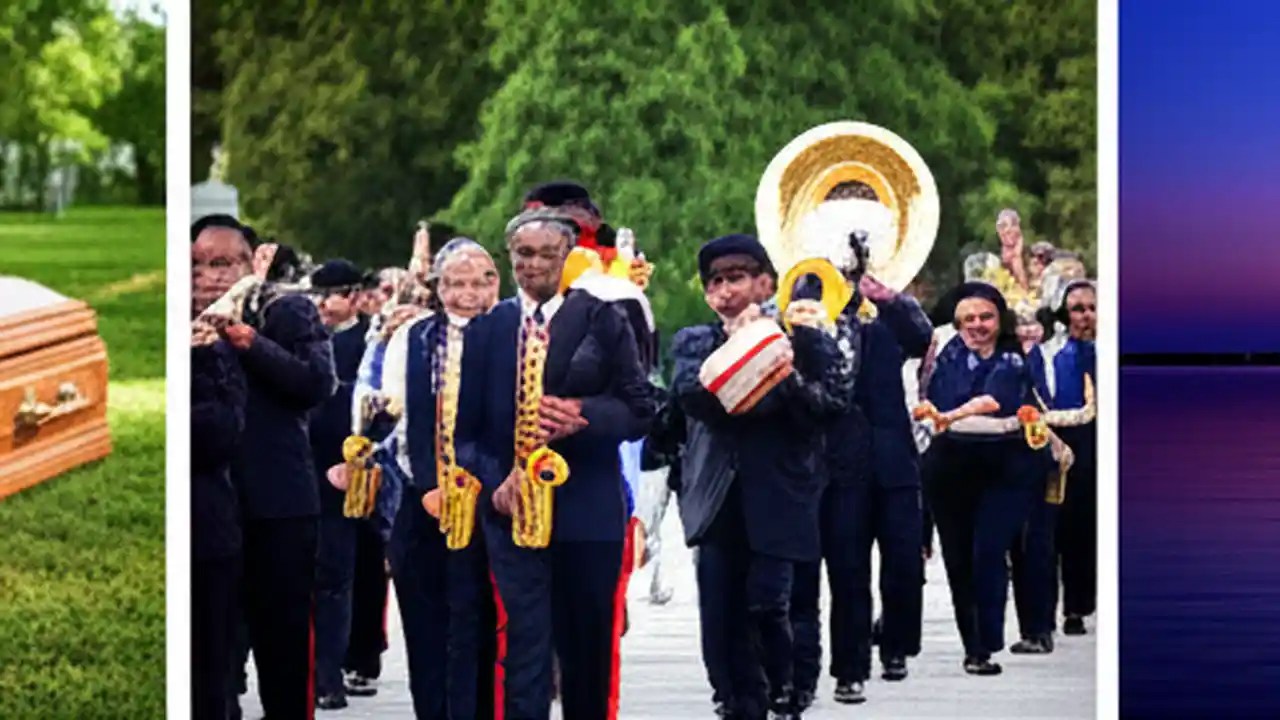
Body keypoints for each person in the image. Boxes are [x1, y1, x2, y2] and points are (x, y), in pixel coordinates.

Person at [453, 207, 657, 720]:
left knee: (587, 650)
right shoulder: (487, 329)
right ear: (509, 259)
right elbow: (466, 435)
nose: (535, 265)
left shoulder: (603, 315)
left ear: (569, 256)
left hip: (588, 511)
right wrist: (495, 482)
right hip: (514, 519)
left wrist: (584, 417)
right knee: (523, 647)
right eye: (524, 254)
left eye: (548, 254)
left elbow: (640, 409)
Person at [672, 234, 848, 719]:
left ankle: (788, 689)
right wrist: (747, 357)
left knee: (775, 602)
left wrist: (779, 368)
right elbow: (698, 400)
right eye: (716, 282)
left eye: (737, 278)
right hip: (717, 493)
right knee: (720, 608)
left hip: (783, 491)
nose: (726, 291)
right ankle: (734, 698)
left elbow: (830, 407)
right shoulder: (695, 341)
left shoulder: (807, 341)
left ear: (765, 282)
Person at [789, 182, 934, 710]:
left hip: (895, 455)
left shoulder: (888, 298)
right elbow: (799, 333)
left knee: (902, 563)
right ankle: (849, 668)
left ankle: (896, 643)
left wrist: (881, 290)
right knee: (847, 569)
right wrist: (826, 284)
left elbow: (921, 338)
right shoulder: (812, 294)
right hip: (840, 457)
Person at [192, 214, 336, 719]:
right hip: (209, 511)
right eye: (197, 264)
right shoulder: (181, 324)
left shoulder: (285, 309)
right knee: (213, 655)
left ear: (250, 262)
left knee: (284, 648)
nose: (208, 276)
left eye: (221, 263)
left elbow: (318, 383)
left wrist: (248, 342)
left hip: (277, 504)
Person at [360, 237, 503, 719]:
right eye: (455, 283)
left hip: (489, 503)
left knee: (477, 626)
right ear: (438, 287)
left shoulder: (512, 331)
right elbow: (393, 409)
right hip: (422, 500)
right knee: (424, 625)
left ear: (494, 284)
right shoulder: (413, 336)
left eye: (477, 282)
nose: (466, 293)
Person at [917, 281, 1049, 676]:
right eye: (968, 319)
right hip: (951, 466)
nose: (977, 325)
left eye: (985, 317)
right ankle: (974, 648)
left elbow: (993, 402)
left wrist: (949, 416)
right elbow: (931, 399)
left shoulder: (1014, 359)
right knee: (958, 559)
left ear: (999, 318)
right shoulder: (944, 356)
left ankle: (990, 634)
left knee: (988, 552)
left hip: (1005, 465)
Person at [308, 259, 375, 710]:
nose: (321, 305)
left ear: (352, 296)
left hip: (349, 471)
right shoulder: (304, 339)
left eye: (330, 295)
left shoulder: (370, 342)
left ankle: (334, 673)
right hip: (303, 469)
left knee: (340, 576)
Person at [190, 327, 247, 720]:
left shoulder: (213, 352)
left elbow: (220, 434)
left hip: (209, 523)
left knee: (211, 659)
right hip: (205, 519)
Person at [1048, 279, 1097, 636]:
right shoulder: (1057, 354)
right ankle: (1074, 608)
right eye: (1078, 309)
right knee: (1074, 525)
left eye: (1092, 308)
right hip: (1073, 438)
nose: (1087, 316)